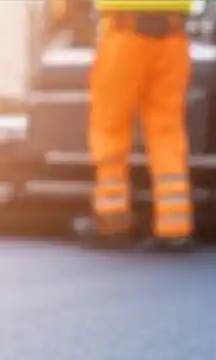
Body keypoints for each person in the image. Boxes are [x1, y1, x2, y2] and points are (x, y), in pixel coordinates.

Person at [77, 0, 197, 252]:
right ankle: (173, 226)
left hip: (126, 33)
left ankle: (112, 219)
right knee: (167, 131)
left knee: (110, 127)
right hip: (173, 36)